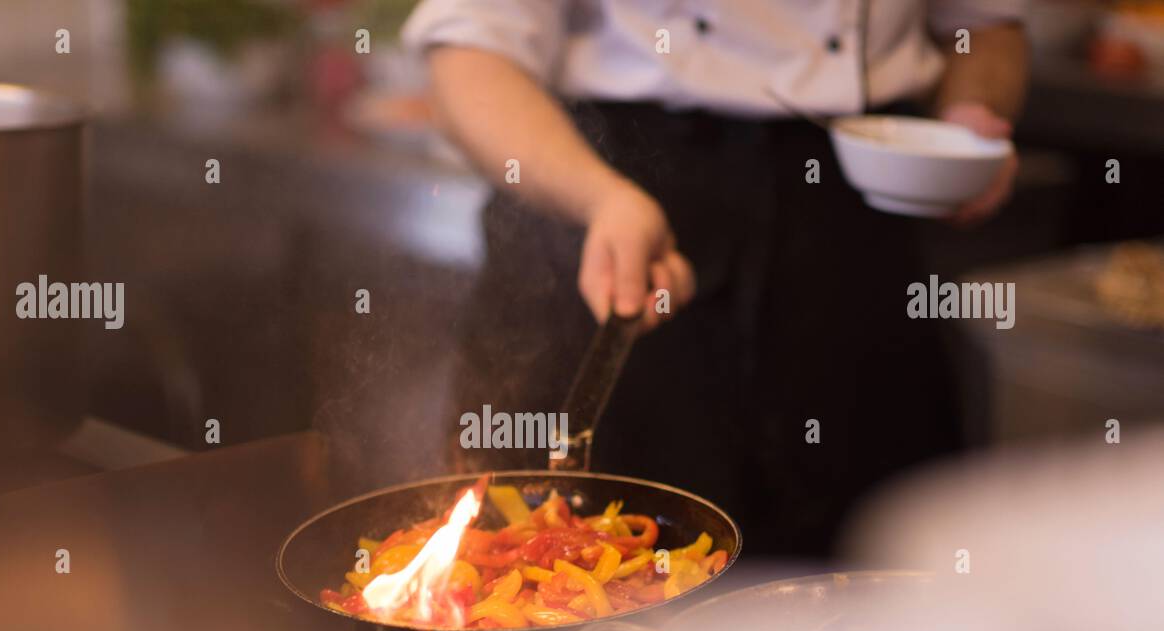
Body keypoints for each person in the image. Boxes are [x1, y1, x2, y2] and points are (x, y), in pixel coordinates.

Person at [402, 0, 1029, 556]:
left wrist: (972, 116)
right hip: (602, 192)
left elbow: (987, 26)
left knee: (862, 579)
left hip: (851, 220)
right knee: (556, 577)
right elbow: (469, 52)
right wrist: (600, 199)